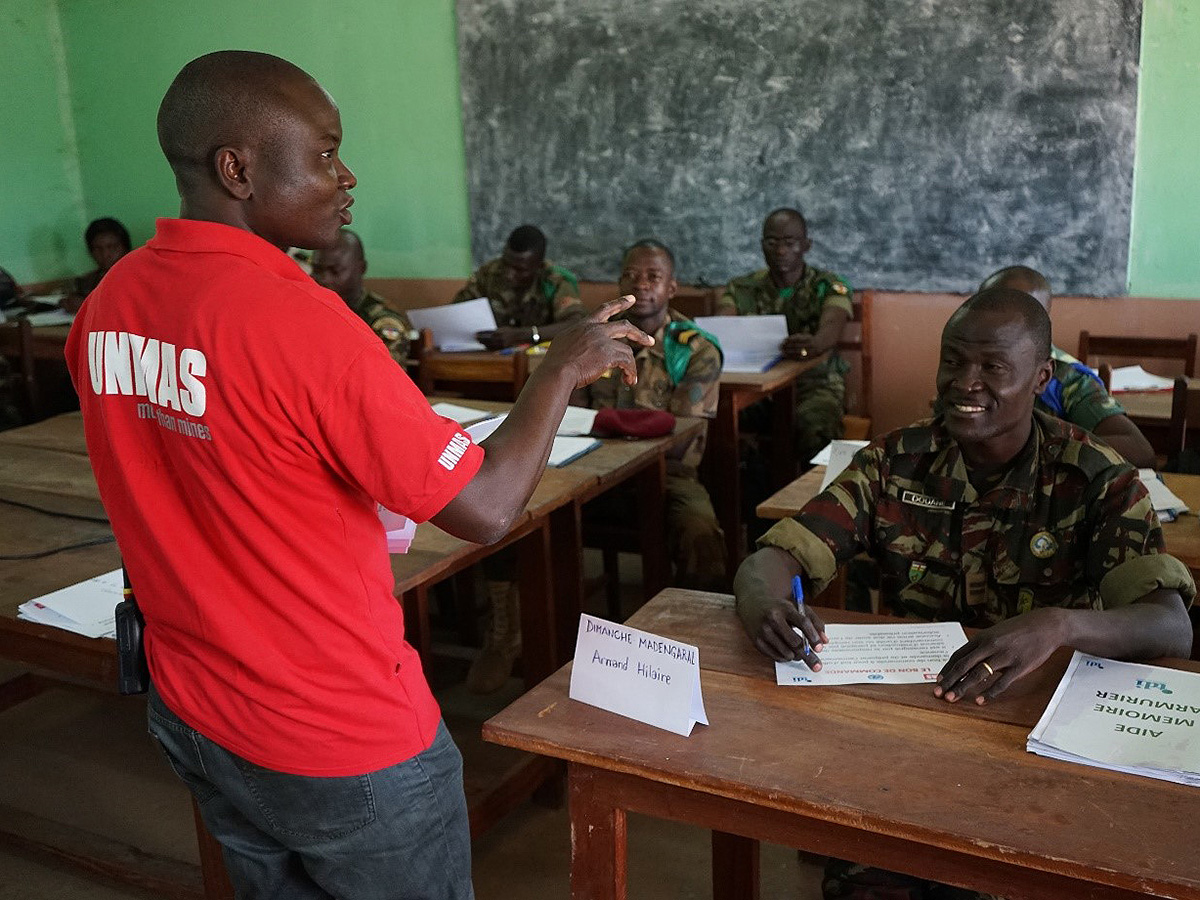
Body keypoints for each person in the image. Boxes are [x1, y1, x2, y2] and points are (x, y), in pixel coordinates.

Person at [65, 49, 651, 900]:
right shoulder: (307, 327)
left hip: (194, 709)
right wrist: (556, 373)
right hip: (337, 732)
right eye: (324, 153)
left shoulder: (110, 303)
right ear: (237, 169)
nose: (346, 176)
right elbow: (485, 507)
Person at [734, 287, 1194, 900]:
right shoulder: (895, 463)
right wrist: (765, 603)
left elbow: (1171, 626)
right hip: (917, 731)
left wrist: (1061, 625)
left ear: (1040, 378)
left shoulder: (1096, 476)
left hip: (1039, 743)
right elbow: (771, 558)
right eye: (953, 361)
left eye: (992, 368)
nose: (964, 383)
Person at [576, 239, 727, 590]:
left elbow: (683, 440)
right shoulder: (594, 341)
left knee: (699, 530)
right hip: (589, 473)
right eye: (630, 275)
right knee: (529, 514)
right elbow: (569, 417)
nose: (640, 285)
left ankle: (694, 633)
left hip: (666, 477)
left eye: (653, 277)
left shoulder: (694, 348)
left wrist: (606, 433)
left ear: (671, 287)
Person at [979, 265, 1155, 467]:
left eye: (1023, 315)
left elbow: (1139, 451)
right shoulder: (967, 368)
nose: (1001, 324)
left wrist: (1042, 448)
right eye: (989, 310)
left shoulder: (1068, 379)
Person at [716, 207, 853, 464]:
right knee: (716, 420)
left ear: (806, 245)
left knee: (817, 427)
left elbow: (831, 329)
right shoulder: (742, 287)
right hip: (754, 388)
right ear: (761, 245)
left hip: (814, 384)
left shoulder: (828, 285)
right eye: (772, 242)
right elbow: (724, 328)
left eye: (790, 243)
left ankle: (821, 501)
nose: (780, 251)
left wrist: (814, 344)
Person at [452, 224, 585, 349]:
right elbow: (456, 313)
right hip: (492, 359)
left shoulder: (554, 281)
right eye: (506, 264)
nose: (509, 274)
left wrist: (523, 335)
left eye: (519, 269)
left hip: (539, 360)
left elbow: (576, 324)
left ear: (539, 266)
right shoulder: (488, 274)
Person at [312, 228, 414, 365]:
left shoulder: (382, 319)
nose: (323, 279)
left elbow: (380, 373)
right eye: (317, 270)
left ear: (361, 268)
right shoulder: (312, 310)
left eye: (335, 271)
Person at [64, 217, 132, 311]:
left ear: (126, 248)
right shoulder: (89, 280)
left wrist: (88, 307)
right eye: (98, 249)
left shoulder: (137, 278)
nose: (105, 254)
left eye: (112, 247)